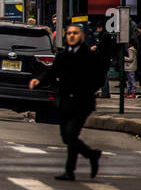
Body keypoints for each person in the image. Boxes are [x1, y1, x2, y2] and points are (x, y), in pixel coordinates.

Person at [29, 22, 105, 181]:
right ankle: (92, 154)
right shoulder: (63, 55)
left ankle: (70, 171)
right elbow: (52, 72)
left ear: (82, 36)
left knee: (71, 134)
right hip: (65, 101)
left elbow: (99, 78)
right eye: (69, 33)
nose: (71, 36)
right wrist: (39, 81)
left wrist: (87, 90)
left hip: (82, 102)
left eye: (75, 33)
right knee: (66, 137)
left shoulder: (90, 56)